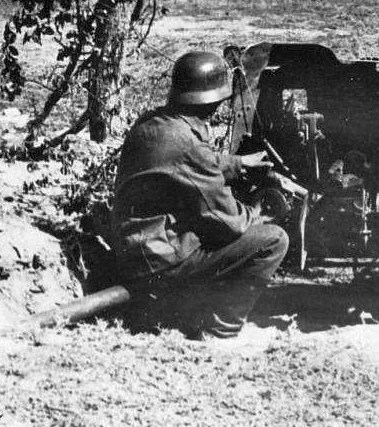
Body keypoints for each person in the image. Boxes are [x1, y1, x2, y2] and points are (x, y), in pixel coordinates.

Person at [109, 50, 288, 340]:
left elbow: (180, 164)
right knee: (273, 240)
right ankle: (219, 328)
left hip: (133, 251)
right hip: (159, 263)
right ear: (214, 103)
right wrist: (258, 210)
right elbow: (231, 222)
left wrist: (239, 163)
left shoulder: (153, 124)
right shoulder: (188, 145)